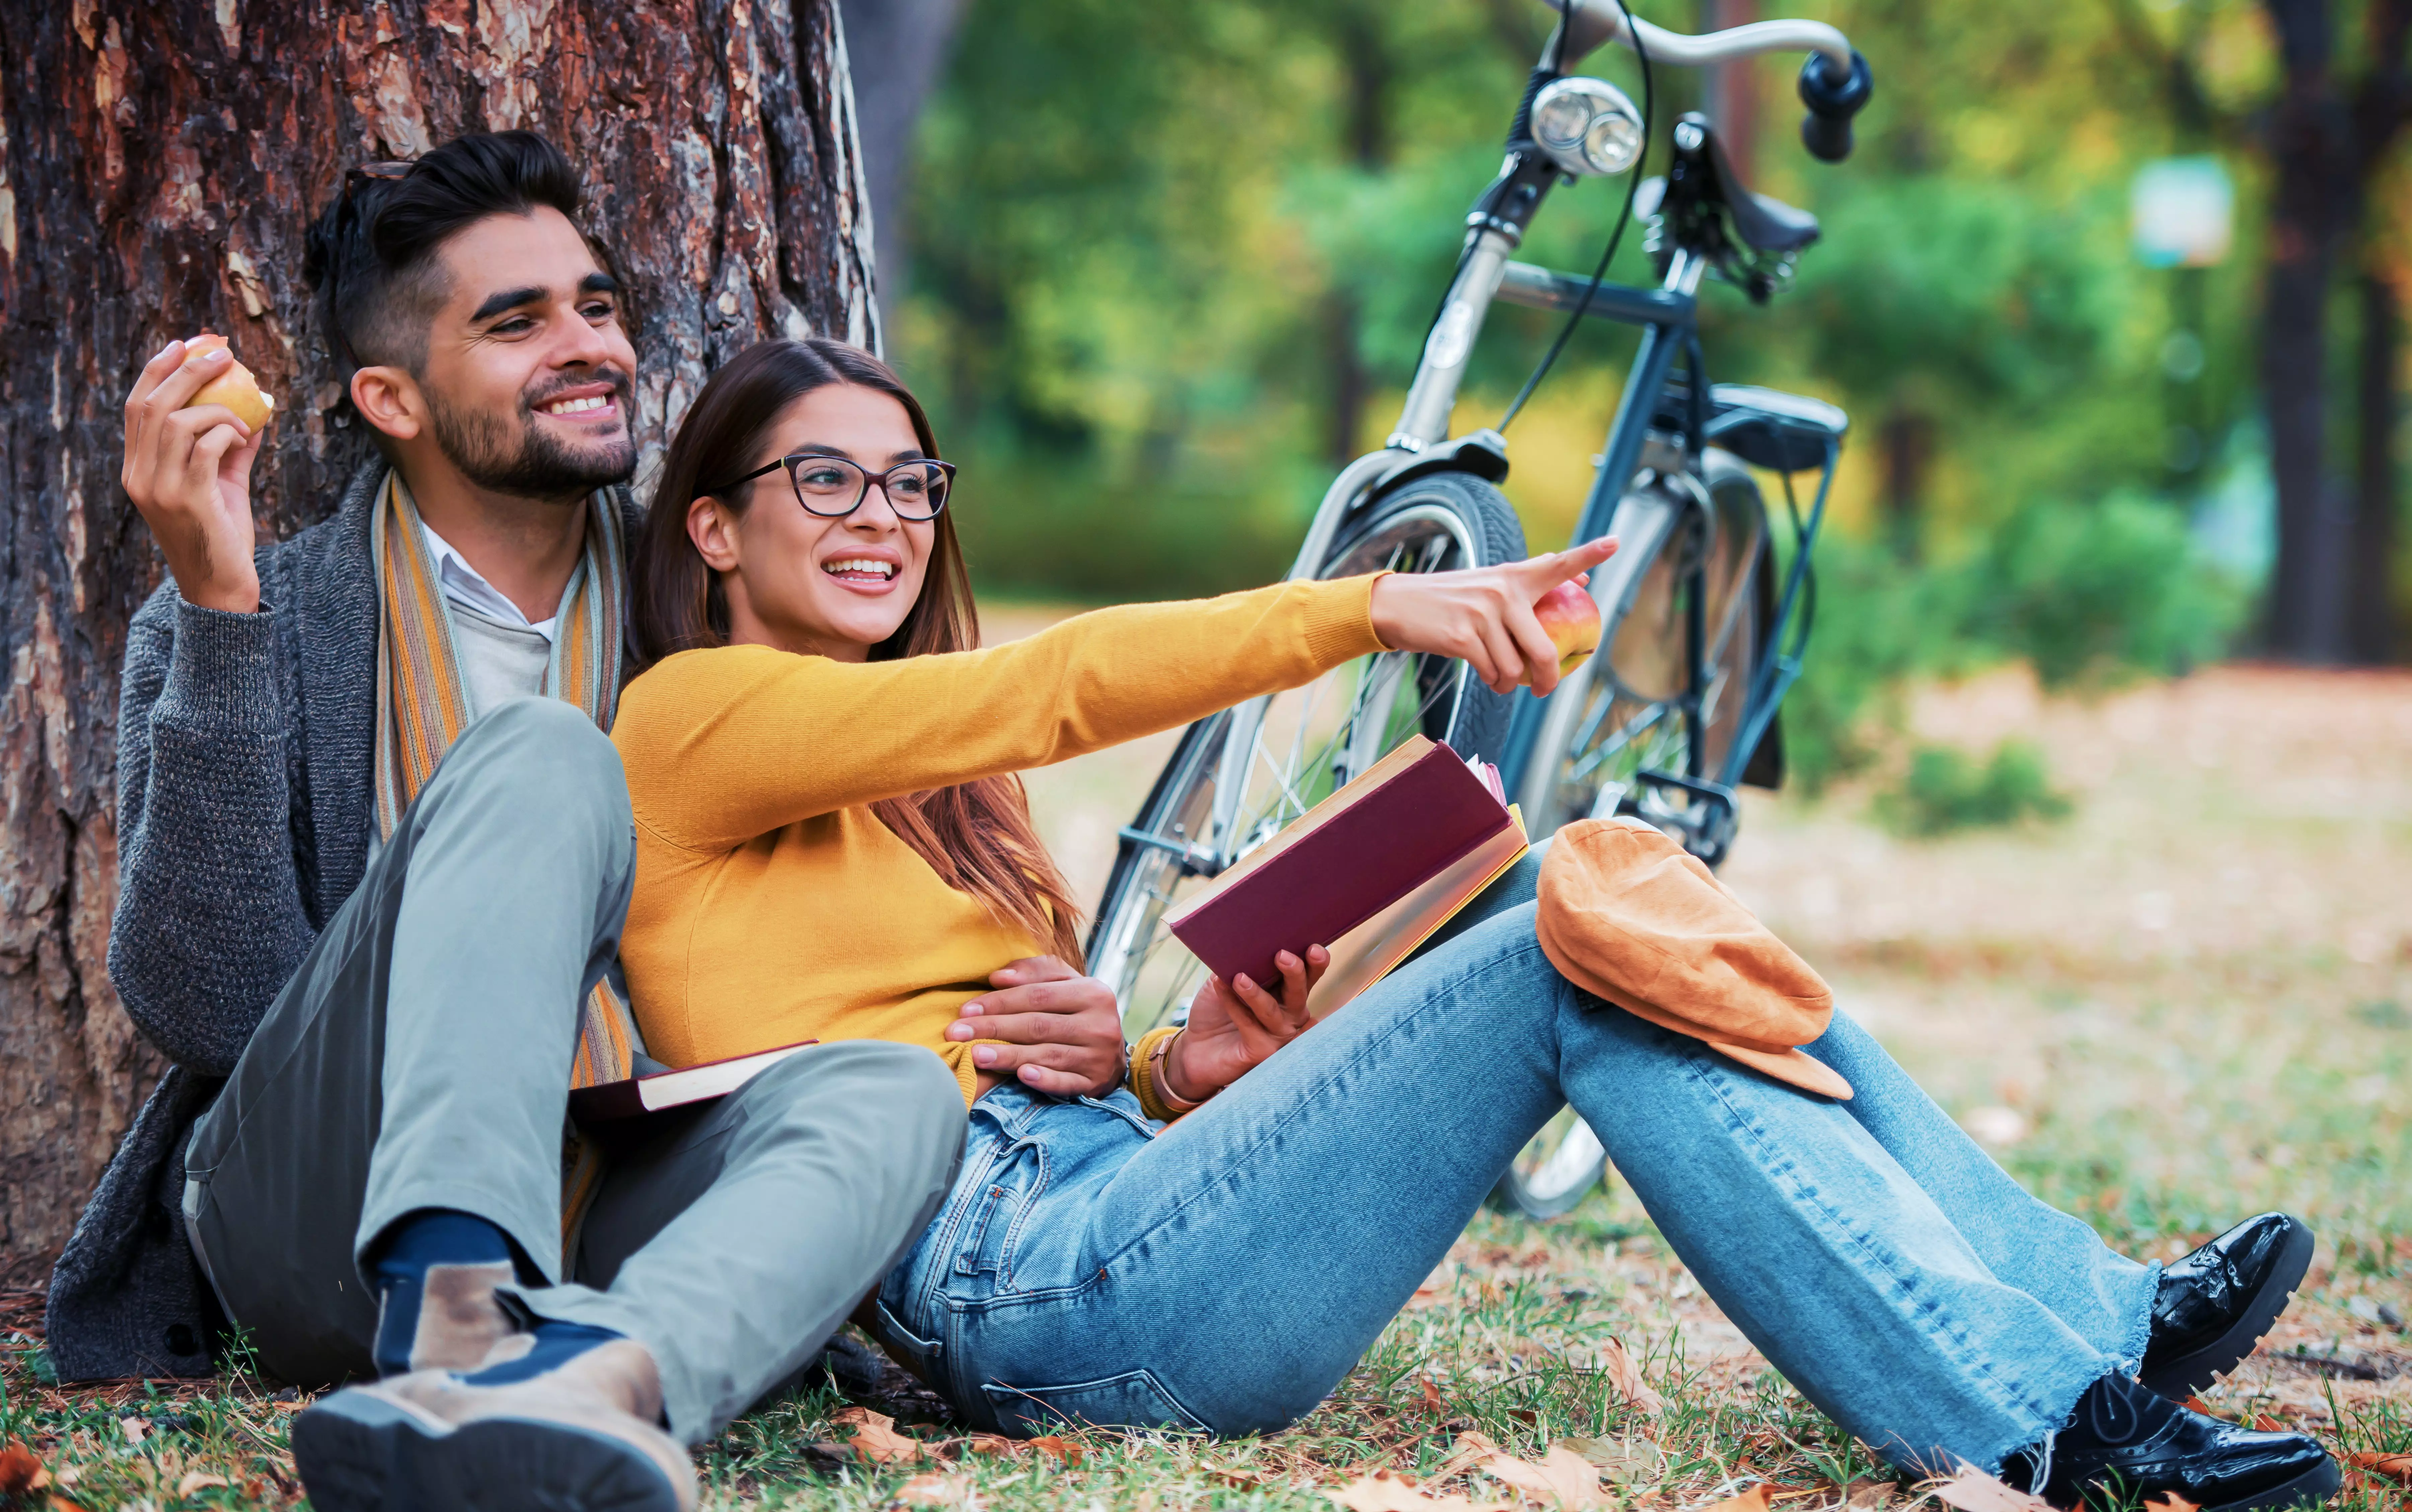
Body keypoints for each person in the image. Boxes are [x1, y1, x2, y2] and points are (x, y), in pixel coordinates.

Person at [611, 334, 2341, 1512]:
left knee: (1560, 904)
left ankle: (2079, 1340)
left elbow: (1065, 1061)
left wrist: (1170, 1060)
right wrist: (1375, 607)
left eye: (911, 485)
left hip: (1106, 1218)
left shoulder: (954, 819)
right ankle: (2051, 1404)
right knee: (1567, 937)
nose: (884, 522)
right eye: (825, 484)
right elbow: (1049, 686)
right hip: (1003, 1293)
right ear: (713, 523)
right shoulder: (689, 718)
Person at [55, 134, 970, 1512]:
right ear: (393, 397)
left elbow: (869, 908)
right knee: (543, 759)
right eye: (516, 320)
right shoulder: (253, 618)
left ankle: (592, 1383)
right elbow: (210, 1004)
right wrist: (220, 613)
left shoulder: (710, 603)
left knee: (893, 1091)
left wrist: (1083, 1031)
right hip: (312, 1208)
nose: (588, 343)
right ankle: (459, 1315)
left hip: (611, 1196)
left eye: (596, 305)